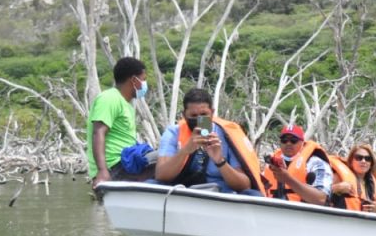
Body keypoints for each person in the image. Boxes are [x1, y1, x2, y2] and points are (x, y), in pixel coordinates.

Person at [154, 88, 265, 196]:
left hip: (221, 192)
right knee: (152, 184)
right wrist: (185, 151)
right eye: (193, 116)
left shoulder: (226, 135)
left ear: (212, 113)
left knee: (254, 194)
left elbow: (245, 185)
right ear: (184, 115)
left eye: (203, 115)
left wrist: (220, 161)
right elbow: (161, 175)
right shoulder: (173, 133)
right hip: (182, 190)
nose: (199, 120)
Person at [87, 57, 151, 188]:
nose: (145, 84)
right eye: (143, 80)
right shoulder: (110, 98)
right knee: (164, 161)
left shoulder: (126, 104)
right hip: (115, 166)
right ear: (134, 80)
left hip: (127, 162)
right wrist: (102, 171)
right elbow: (98, 132)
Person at [261, 124, 333, 205]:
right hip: (271, 210)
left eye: (293, 140)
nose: (288, 143)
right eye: (284, 140)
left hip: (304, 213)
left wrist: (288, 179)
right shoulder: (271, 163)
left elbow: (321, 199)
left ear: (302, 142)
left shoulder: (316, 163)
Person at [329, 144, 376, 214]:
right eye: (359, 158)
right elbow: (319, 196)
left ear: (371, 163)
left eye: (368, 159)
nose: (363, 161)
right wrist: (336, 188)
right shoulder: (338, 177)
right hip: (340, 220)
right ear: (351, 161)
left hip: (361, 222)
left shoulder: (372, 185)